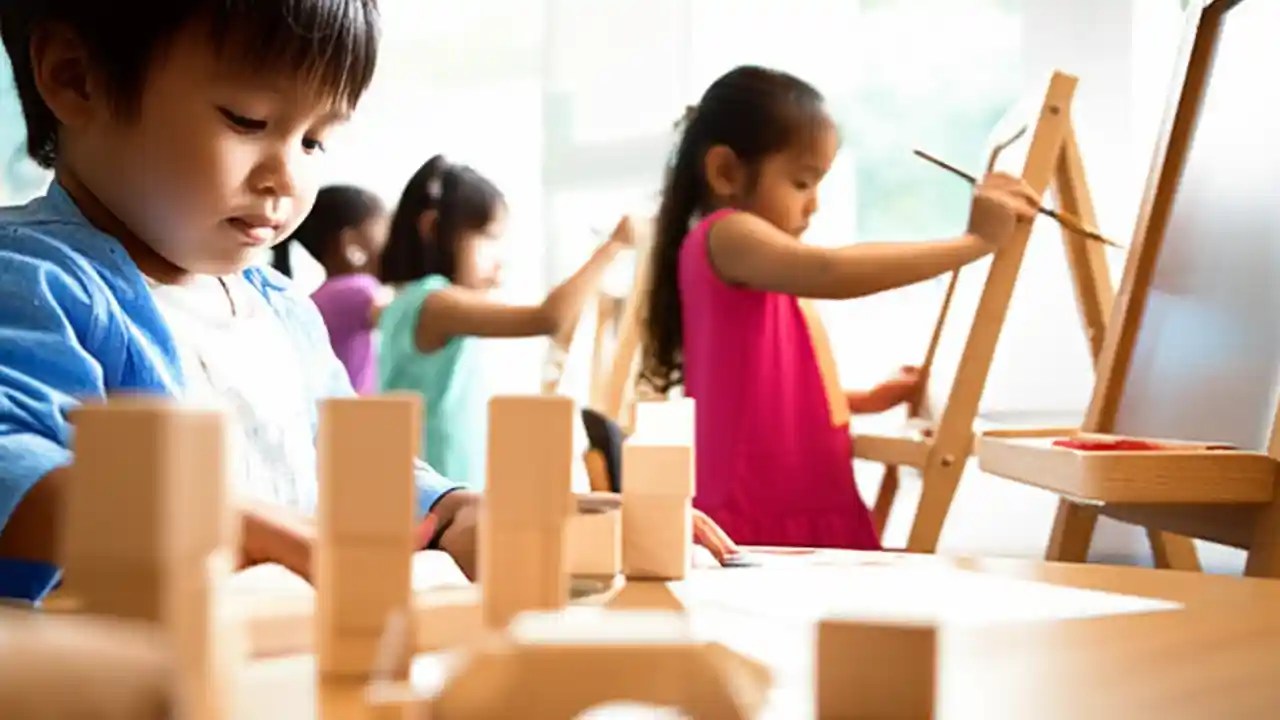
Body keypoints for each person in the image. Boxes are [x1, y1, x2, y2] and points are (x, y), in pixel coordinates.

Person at [0, 0, 475, 583]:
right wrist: (212, 519)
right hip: (118, 669)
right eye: (247, 120)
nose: (288, 178)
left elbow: (350, 462)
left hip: (277, 653)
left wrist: (447, 511)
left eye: (313, 142)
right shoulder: (33, 279)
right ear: (76, 78)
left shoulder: (282, 308)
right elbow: (11, 465)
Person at [640, 65, 1040, 550]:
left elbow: (760, 387)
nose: (814, 205)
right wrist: (974, 242)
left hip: (794, 496)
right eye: (802, 182)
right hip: (762, 509)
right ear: (726, 172)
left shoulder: (752, 260)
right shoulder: (727, 234)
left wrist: (863, 400)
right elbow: (832, 271)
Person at [377, 155, 632, 489]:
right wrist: (612, 247)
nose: (498, 259)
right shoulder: (434, 303)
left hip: (439, 488)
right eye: (486, 238)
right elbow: (548, 318)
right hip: (441, 491)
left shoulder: (410, 302)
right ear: (434, 229)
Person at [273, 184, 392, 394]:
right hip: (351, 420)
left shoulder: (320, 297)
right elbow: (409, 314)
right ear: (351, 244)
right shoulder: (357, 291)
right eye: (387, 231)